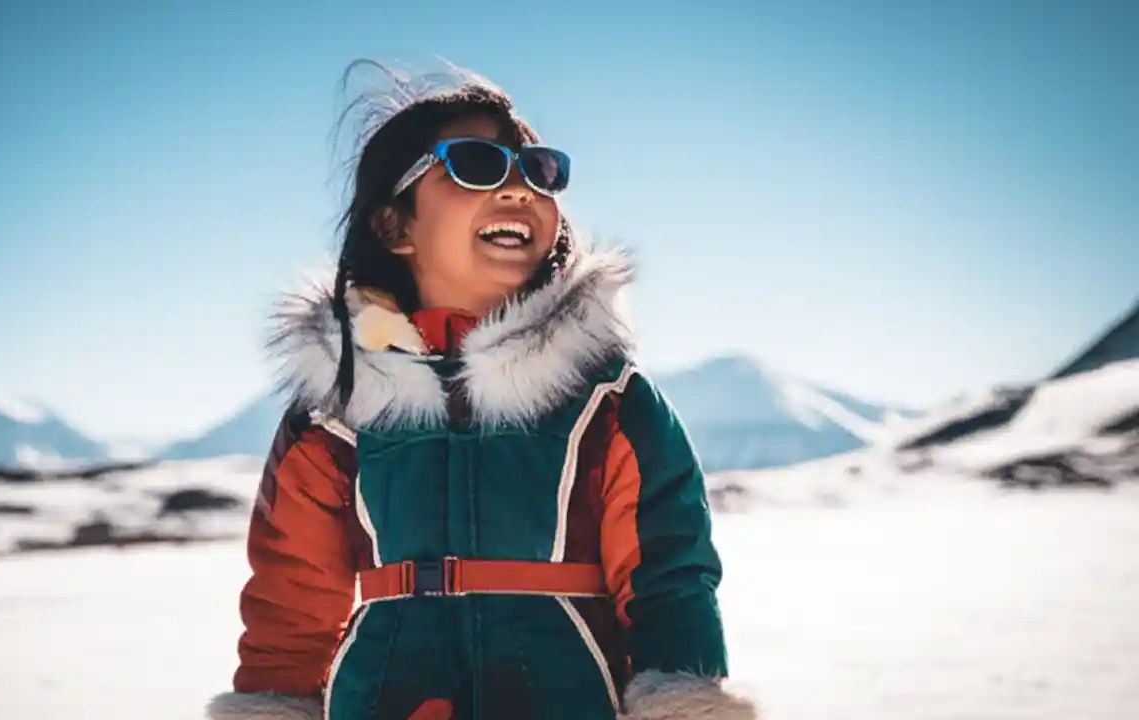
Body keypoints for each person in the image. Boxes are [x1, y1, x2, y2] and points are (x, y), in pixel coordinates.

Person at [206, 61, 757, 720]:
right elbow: (290, 599)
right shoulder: (337, 410)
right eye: (476, 165)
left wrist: (682, 701)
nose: (520, 189)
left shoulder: (606, 400)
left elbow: (668, 575)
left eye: (540, 171)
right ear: (395, 226)